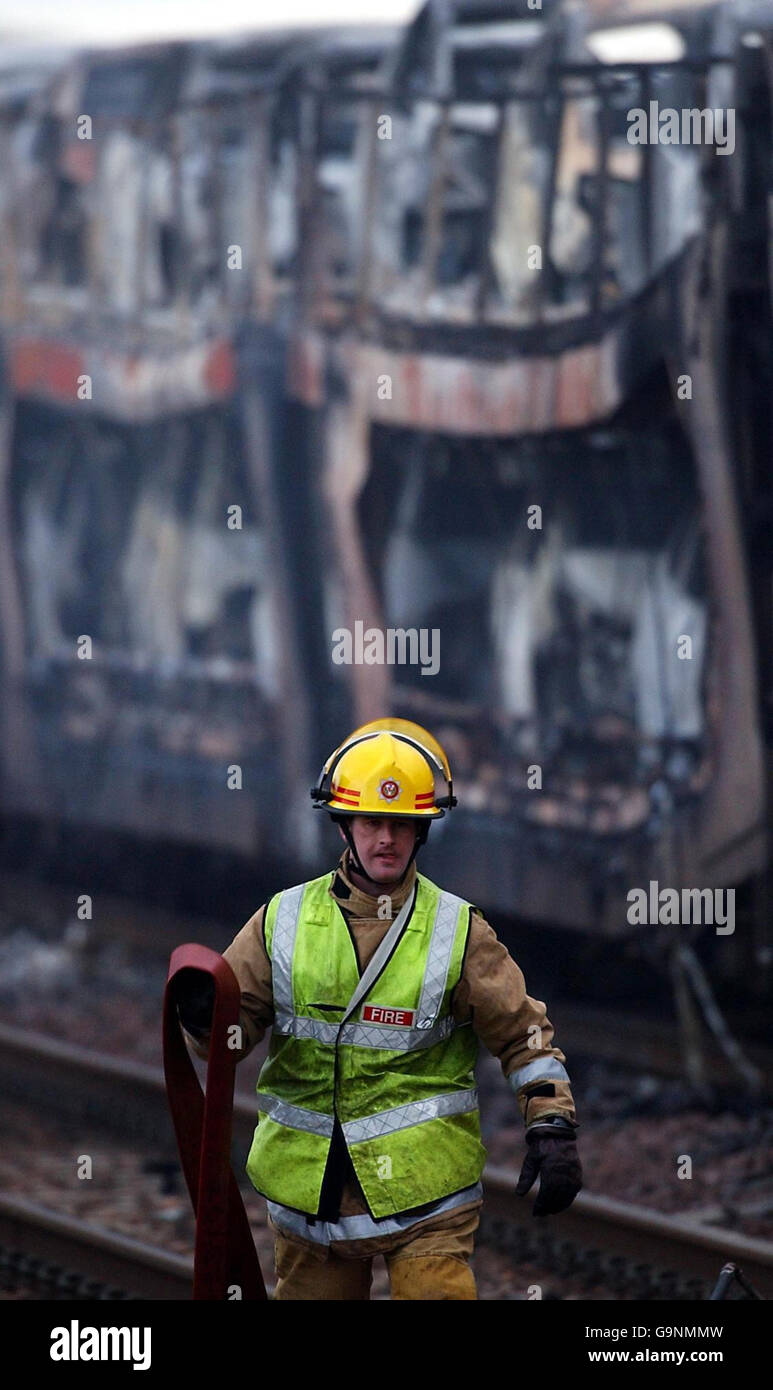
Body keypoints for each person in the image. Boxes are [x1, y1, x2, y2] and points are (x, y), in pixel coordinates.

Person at [178, 717, 582, 1300]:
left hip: (428, 1198)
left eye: (401, 824)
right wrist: (202, 1014)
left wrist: (551, 1124)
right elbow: (228, 1040)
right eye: (372, 822)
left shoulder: (457, 931)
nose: (386, 839)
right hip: (312, 1202)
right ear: (345, 826)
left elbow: (524, 1035)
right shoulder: (284, 920)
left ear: (423, 831)